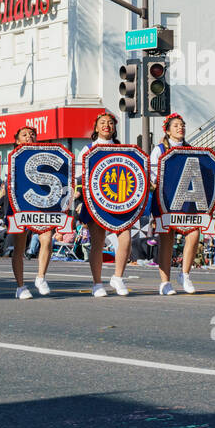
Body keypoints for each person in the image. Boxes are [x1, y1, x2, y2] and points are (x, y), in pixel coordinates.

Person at [77, 113, 133, 298]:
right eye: (102, 123)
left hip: (119, 202)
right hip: (95, 202)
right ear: (96, 127)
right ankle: (97, 283)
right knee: (98, 243)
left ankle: (118, 277)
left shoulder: (122, 148)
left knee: (125, 239)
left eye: (110, 123)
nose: (106, 126)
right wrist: (78, 200)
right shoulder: (88, 148)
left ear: (115, 127)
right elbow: (79, 177)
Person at [150, 113, 202, 295]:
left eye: (182, 125)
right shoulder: (159, 150)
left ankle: (185, 274)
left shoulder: (192, 149)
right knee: (167, 240)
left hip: (187, 201)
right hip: (165, 201)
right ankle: (165, 283)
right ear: (167, 130)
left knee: (194, 233)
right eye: (176, 126)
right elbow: (153, 175)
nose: (180, 128)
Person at [5, 125, 56, 299]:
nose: (29, 137)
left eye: (32, 134)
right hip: (18, 204)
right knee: (19, 246)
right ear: (17, 140)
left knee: (47, 237)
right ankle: (20, 286)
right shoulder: (13, 158)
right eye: (24, 135)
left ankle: (41, 277)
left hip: (41, 203)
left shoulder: (44, 156)